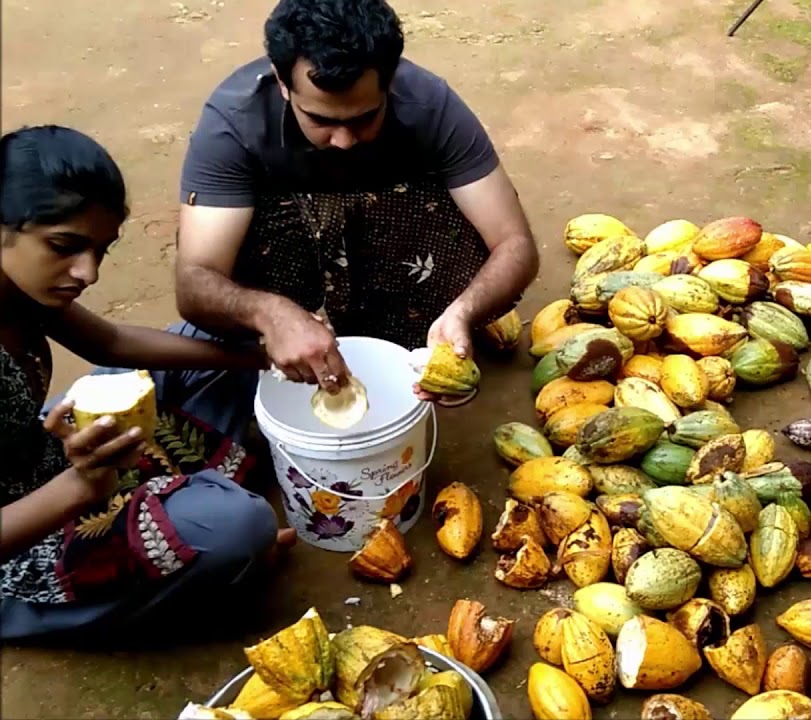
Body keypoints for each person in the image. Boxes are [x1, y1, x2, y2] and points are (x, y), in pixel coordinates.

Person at [171, 0, 538, 430]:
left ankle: (406, 328)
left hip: (397, 241)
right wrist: (268, 312)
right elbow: (194, 279)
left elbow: (515, 245)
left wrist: (463, 312)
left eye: (366, 118)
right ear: (281, 82)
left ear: (391, 81)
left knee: (456, 232)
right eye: (320, 120)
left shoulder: (429, 104)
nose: (344, 141)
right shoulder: (233, 122)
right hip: (288, 252)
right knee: (242, 272)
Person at [0, 125, 295, 643]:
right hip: (21, 545)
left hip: (46, 454)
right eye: (64, 246)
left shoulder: (19, 287)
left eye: (101, 250)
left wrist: (251, 356)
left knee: (215, 337)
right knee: (238, 526)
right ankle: (203, 528)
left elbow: (111, 344)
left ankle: (190, 507)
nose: (87, 272)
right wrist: (82, 486)